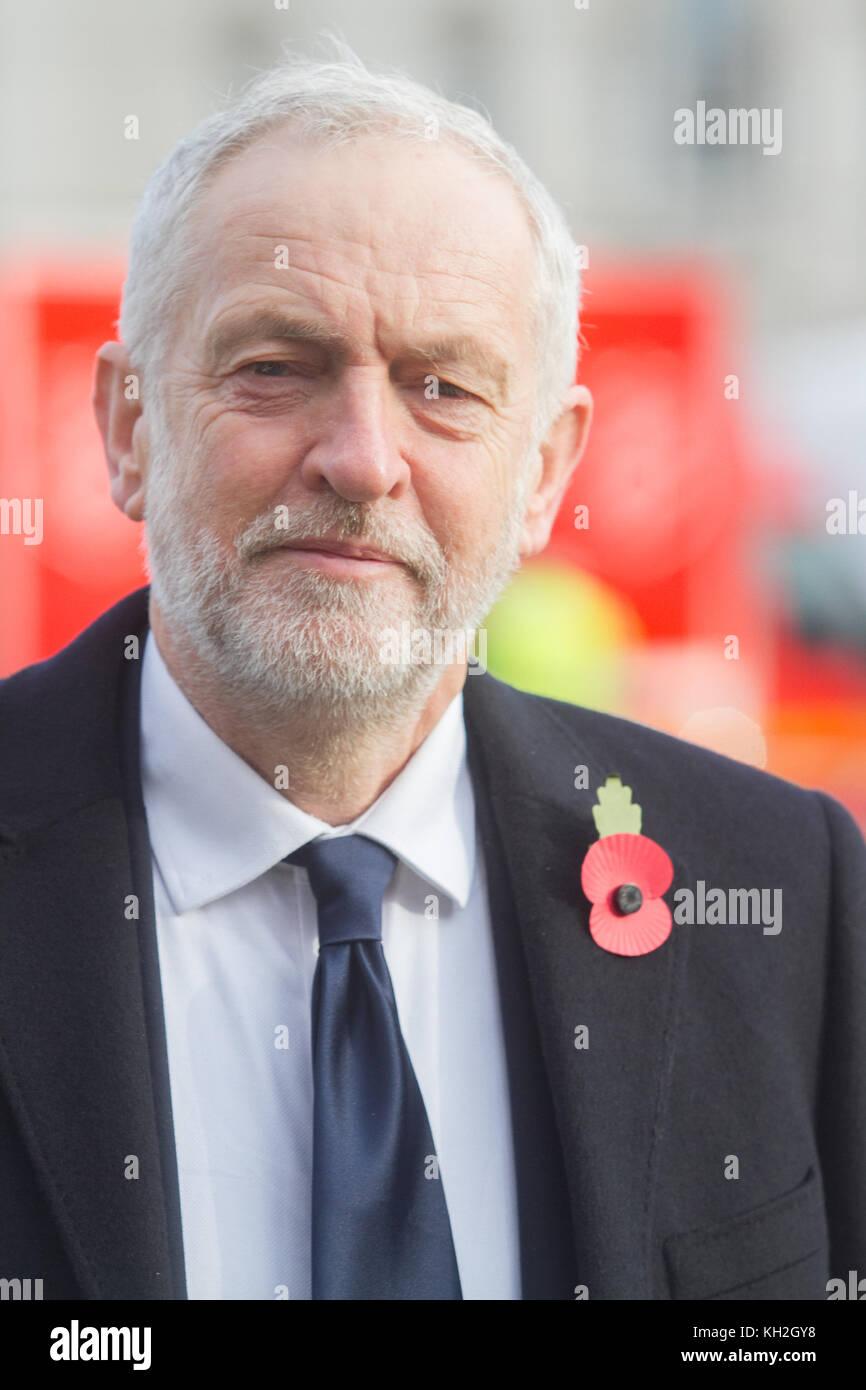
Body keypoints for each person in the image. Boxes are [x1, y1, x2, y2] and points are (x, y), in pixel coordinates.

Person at [0, 41, 863, 1303]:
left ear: (546, 473)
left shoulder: (780, 887)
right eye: (275, 368)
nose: (360, 459)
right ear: (128, 427)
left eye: (442, 386)